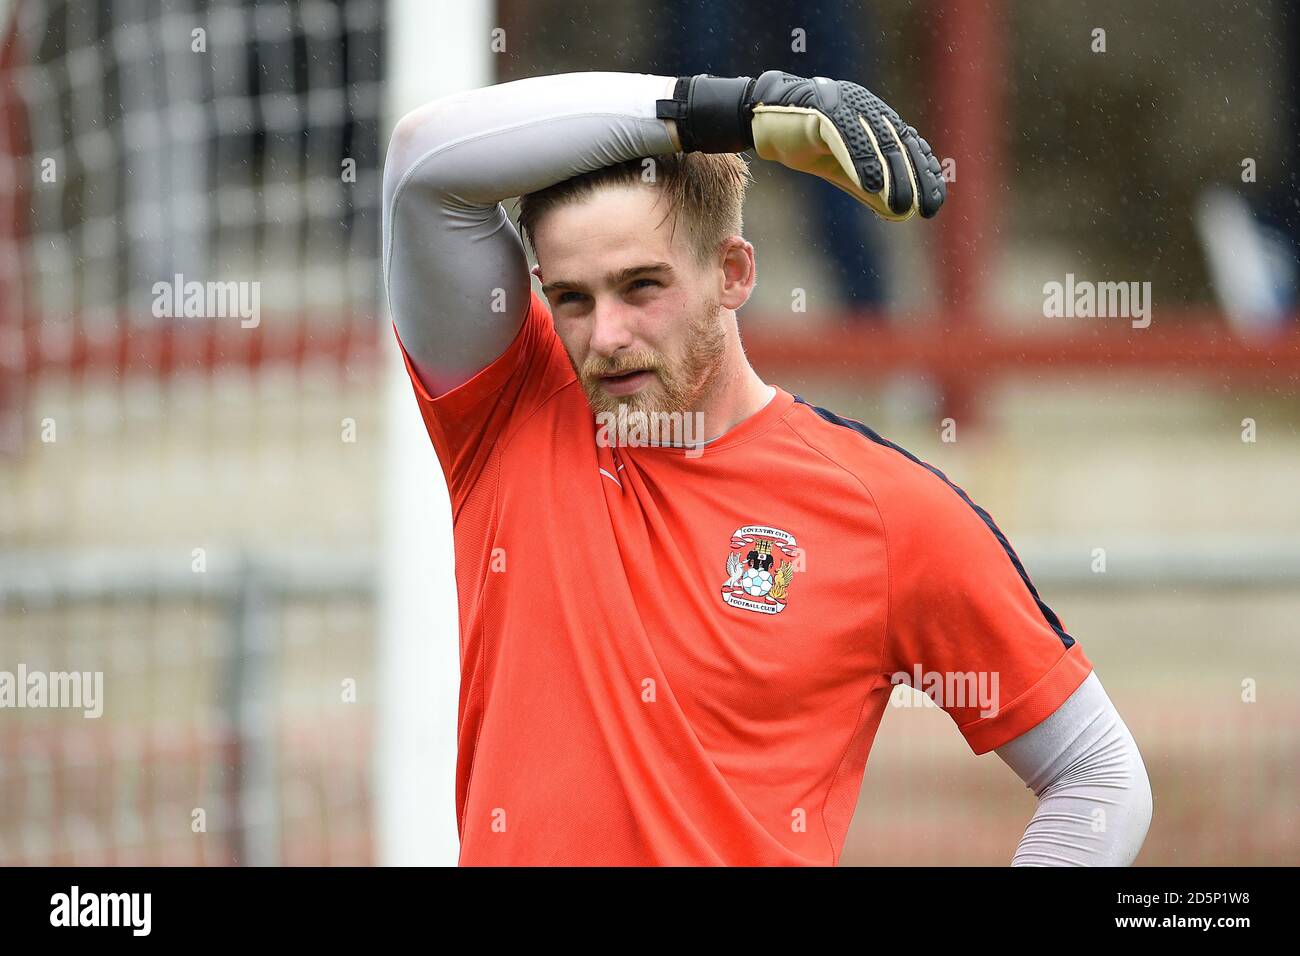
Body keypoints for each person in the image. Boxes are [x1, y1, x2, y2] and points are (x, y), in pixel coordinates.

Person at [382, 69, 1152, 866]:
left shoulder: (884, 509)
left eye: (641, 286)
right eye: (571, 298)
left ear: (735, 273)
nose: (604, 334)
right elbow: (424, 162)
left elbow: (1099, 777)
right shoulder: (511, 412)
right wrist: (733, 108)